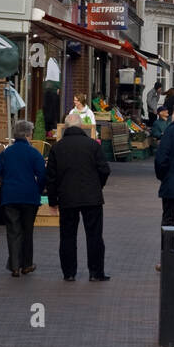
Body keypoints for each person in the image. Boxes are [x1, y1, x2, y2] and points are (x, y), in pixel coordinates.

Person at [45, 111, 111, 282]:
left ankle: (69, 273)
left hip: (67, 197)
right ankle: (96, 272)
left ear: (66, 127)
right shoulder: (92, 145)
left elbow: (50, 177)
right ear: (82, 126)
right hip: (92, 197)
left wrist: (53, 201)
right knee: (94, 235)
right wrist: (98, 185)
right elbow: (104, 170)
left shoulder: (57, 148)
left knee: (67, 236)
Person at [0, 119, 45, 277]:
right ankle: (27, 264)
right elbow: (42, 175)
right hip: (30, 196)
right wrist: (38, 189)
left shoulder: (7, 152)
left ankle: (15, 266)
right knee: (28, 231)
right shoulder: (34, 153)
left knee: (13, 231)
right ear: (29, 134)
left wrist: (4, 180)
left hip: (10, 196)